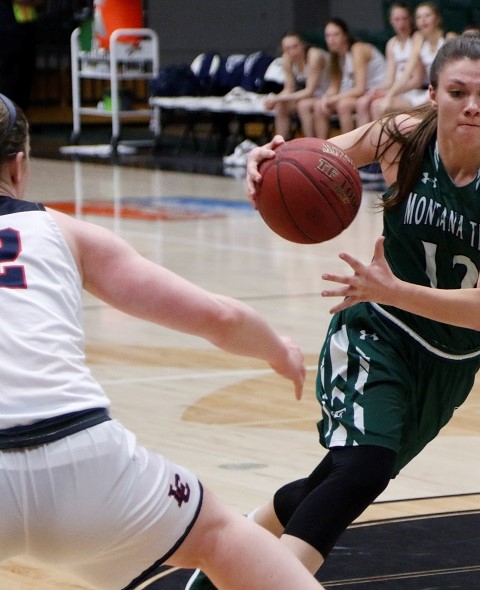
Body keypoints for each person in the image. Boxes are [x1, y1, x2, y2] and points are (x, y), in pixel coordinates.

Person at [184, 34, 480, 589]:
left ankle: (229, 556)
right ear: (432, 94)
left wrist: (394, 289)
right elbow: (316, 158)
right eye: (457, 91)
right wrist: (268, 160)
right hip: (375, 329)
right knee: (363, 469)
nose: (473, 105)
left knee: (339, 477)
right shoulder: (401, 136)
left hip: (448, 360)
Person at [0, 94, 322, 590]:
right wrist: (278, 349)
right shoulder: (62, 232)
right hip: (81, 455)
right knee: (220, 537)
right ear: (20, 165)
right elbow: (218, 316)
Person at [299, 18, 387, 138]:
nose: (331, 39)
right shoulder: (336, 56)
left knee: (343, 105)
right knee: (319, 105)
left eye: (336, 34)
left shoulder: (357, 49)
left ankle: (348, 148)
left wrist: (333, 99)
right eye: (328, 35)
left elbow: (360, 89)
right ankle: (320, 148)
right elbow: (334, 87)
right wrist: (326, 98)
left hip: (375, 92)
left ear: (345, 36)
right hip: (360, 95)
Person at [373, 1, 452, 118]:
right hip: (425, 92)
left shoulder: (449, 38)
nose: (423, 20)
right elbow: (406, 73)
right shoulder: (419, 40)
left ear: (437, 19)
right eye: (419, 17)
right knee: (379, 105)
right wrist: (389, 95)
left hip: (445, 91)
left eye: (427, 16)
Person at [355, 3, 421, 130]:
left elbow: (415, 80)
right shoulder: (391, 43)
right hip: (398, 91)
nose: (401, 23)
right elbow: (390, 79)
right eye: (397, 19)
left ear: (410, 20)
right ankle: (359, 143)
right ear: (391, 21)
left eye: (405, 18)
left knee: (376, 105)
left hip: (414, 93)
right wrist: (377, 90)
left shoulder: (416, 38)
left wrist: (389, 93)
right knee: (363, 102)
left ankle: (378, 145)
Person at [262, 32, 330, 139]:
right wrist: (274, 100)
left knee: (303, 105)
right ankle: (279, 145)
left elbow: (309, 91)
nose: (292, 52)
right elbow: (289, 88)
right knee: (281, 106)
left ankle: (311, 144)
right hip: (312, 96)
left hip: (328, 93)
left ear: (303, 45)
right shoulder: (286, 59)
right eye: (288, 48)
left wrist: (278, 98)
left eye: (295, 47)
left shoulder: (314, 55)